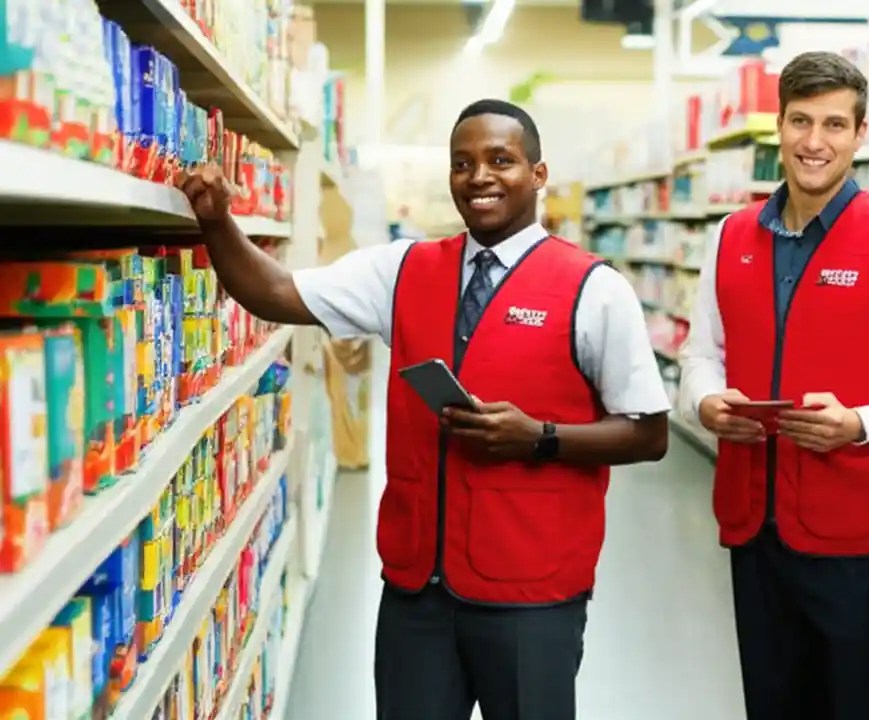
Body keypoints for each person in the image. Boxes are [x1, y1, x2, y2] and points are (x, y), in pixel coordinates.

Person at [178, 98, 672, 720]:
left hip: (531, 592)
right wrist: (218, 221)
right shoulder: (405, 269)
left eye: (501, 160)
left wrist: (540, 438)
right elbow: (275, 292)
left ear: (538, 175)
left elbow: (648, 434)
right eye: (462, 164)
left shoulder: (593, 289)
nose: (480, 177)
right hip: (417, 588)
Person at [678, 50, 869, 719]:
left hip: (854, 532)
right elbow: (700, 355)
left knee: (856, 705)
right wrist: (705, 401)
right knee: (772, 702)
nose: (815, 142)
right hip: (753, 524)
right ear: (779, 127)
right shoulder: (731, 237)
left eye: (835, 125)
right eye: (801, 121)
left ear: (861, 133)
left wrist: (862, 423)